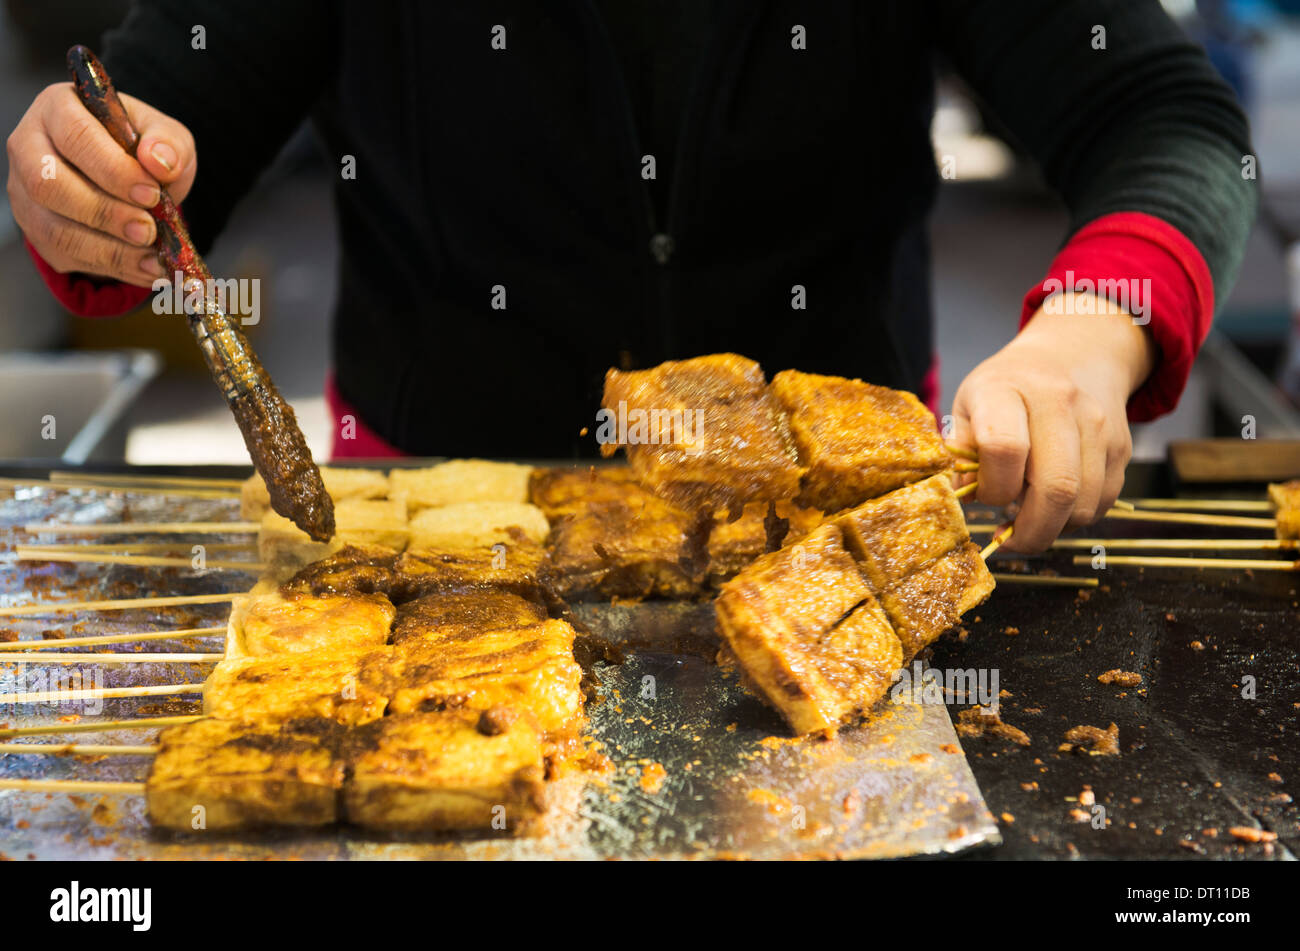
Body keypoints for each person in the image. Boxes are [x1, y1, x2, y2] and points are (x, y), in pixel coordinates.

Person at [5, 1, 1257, 552]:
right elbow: (167, 114)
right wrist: (92, 192)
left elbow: (1158, 112)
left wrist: (1100, 322)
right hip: (439, 500)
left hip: (833, 504)